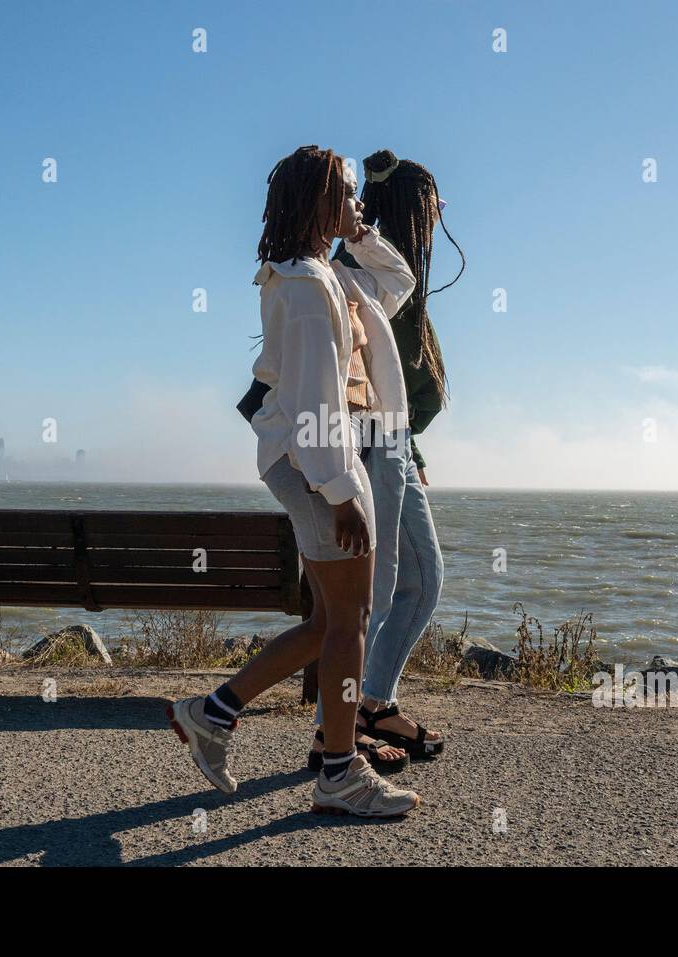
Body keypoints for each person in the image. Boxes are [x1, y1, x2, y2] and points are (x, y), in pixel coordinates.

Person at [169, 145, 421, 818]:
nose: (356, 202)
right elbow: (315, 406)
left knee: (330, 620)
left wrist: (361, 233)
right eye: (345, 192)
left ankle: (213, 712)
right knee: (350, 623)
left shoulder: (316, 276)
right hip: (319, 462)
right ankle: (339, 773)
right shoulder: (311, 289)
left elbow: (398, 285)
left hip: (307, 460)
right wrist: (342, 493)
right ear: (316, 201)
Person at [308, 149, 464, 766]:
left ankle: (370, 703)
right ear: (413, 209)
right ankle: (333, 730)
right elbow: (353, 382)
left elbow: (391, 378)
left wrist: (411, 447)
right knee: (376, 588)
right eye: (434, 205)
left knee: (423, 582)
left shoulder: (387, 271)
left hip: (395, 444)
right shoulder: (359, 276)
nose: (442, 215)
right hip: (371, 442)